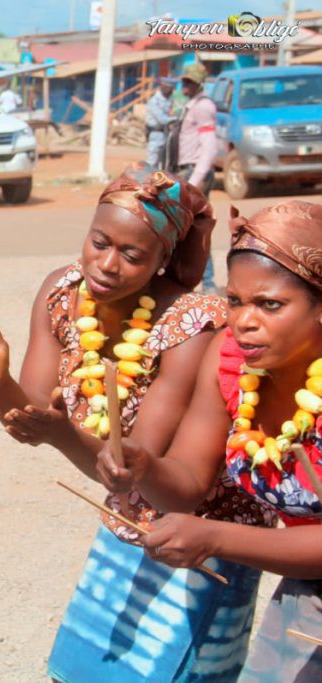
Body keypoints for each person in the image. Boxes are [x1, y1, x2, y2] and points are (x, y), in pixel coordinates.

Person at [0, 164, 272, 683]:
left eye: (132, 254)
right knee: (81, 672)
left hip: (204, 536)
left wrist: (57, 431)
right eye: (99, 242)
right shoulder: (63, 293)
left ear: (164, 259)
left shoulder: (192, 324)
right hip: (129, 524)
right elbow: (34, 417)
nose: (107, 264)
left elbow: (138, 469)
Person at [98, 200, 322, 682]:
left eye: (270, 304)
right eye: (235, 300)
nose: (243, 320)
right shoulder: (232, 363)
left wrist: (216, 537)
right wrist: (144, 466)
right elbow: (187, 484)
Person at [175, 61, 219, 293]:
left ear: (199, 84)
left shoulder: (203, 107)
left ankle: (208, 282)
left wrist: (194, 182)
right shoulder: (190, 105)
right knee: (184, 228)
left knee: (195, 228)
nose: (185, 85)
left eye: (190, 81)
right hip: (186, 170)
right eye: (184, 80)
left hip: (195, 172)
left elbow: (210, 148)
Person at [145, 77, 177, 170]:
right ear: (163, 87)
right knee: (152, 162)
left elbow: (177, 109)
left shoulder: (169, 99)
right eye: (169, 88)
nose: (171, 91)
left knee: (163, 163)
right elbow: (162, 119)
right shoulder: (154, 101)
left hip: (165, 133)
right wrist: (176, 119)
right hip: (156, 134)